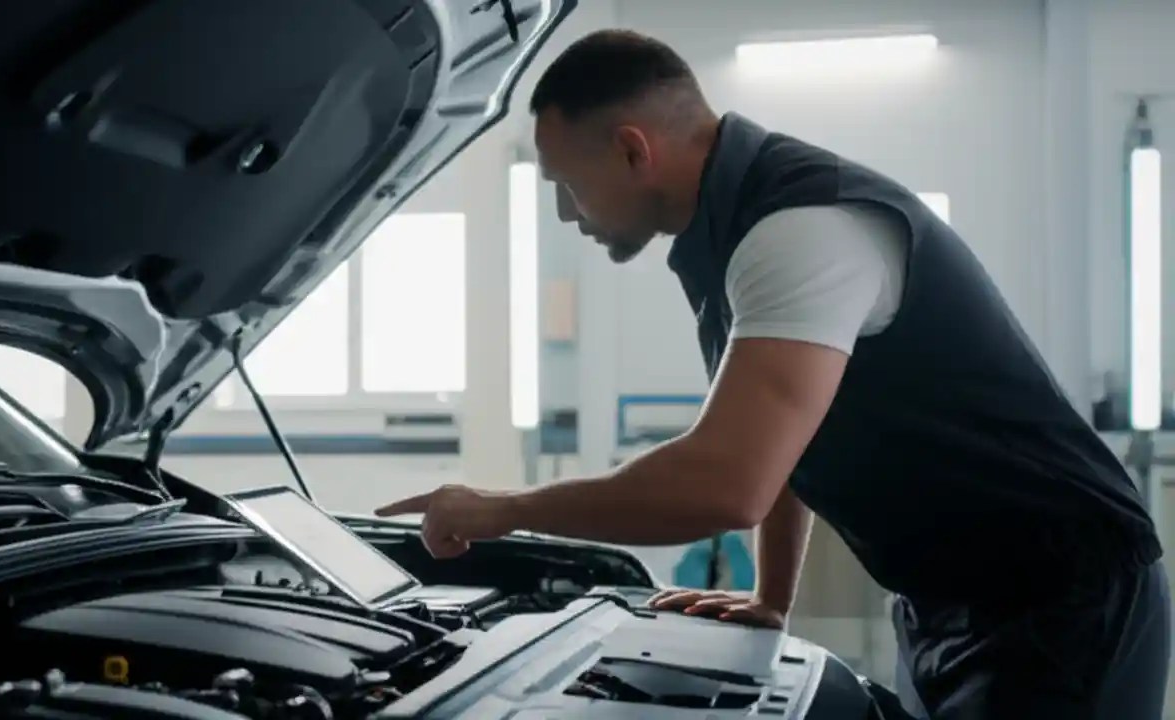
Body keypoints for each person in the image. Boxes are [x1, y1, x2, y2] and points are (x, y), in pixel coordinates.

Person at [376, 29, 1170, 718]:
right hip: (946, 604)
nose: (564, 214)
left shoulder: (799, 229)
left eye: (566, 185)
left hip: (1061, 604)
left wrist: (501, 511)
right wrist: (772, 595)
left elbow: (727, 481)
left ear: (632, 150)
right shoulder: (729, 232)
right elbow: (787, 442)